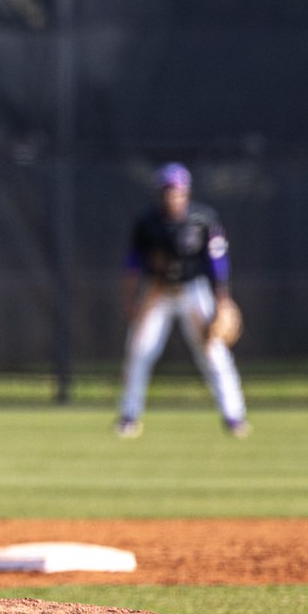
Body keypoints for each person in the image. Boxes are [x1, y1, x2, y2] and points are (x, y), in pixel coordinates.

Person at [114, 162, 250, 439]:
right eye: (166, 191)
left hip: (193, 290)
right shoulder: (147, 223)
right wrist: (130, 299)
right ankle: (129, 416)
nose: (171, 196)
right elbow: (133, 265)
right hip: (157, 291)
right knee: (139, 351)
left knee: (213, 353)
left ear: (186, 192)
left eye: (176, 190)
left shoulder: (203, 219)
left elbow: (217, 263)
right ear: (159, 193)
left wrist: (222, 301)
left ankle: (234, 416)